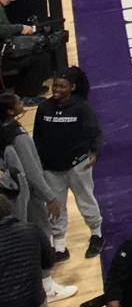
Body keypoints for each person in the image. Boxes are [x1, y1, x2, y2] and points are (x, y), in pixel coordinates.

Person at [29, 66, 102, 261]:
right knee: (54, 206)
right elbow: (38, 137)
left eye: (62, 86)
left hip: (77, 164)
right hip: (51, 168)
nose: (57, 90)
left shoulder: (81, 107)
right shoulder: (44, 107)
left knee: (85, 200)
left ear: (72, 87)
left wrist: (94, 151)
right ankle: (60, 246)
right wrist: (39, 164)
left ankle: (97, 234)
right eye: (55, 86)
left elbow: (94, 131)